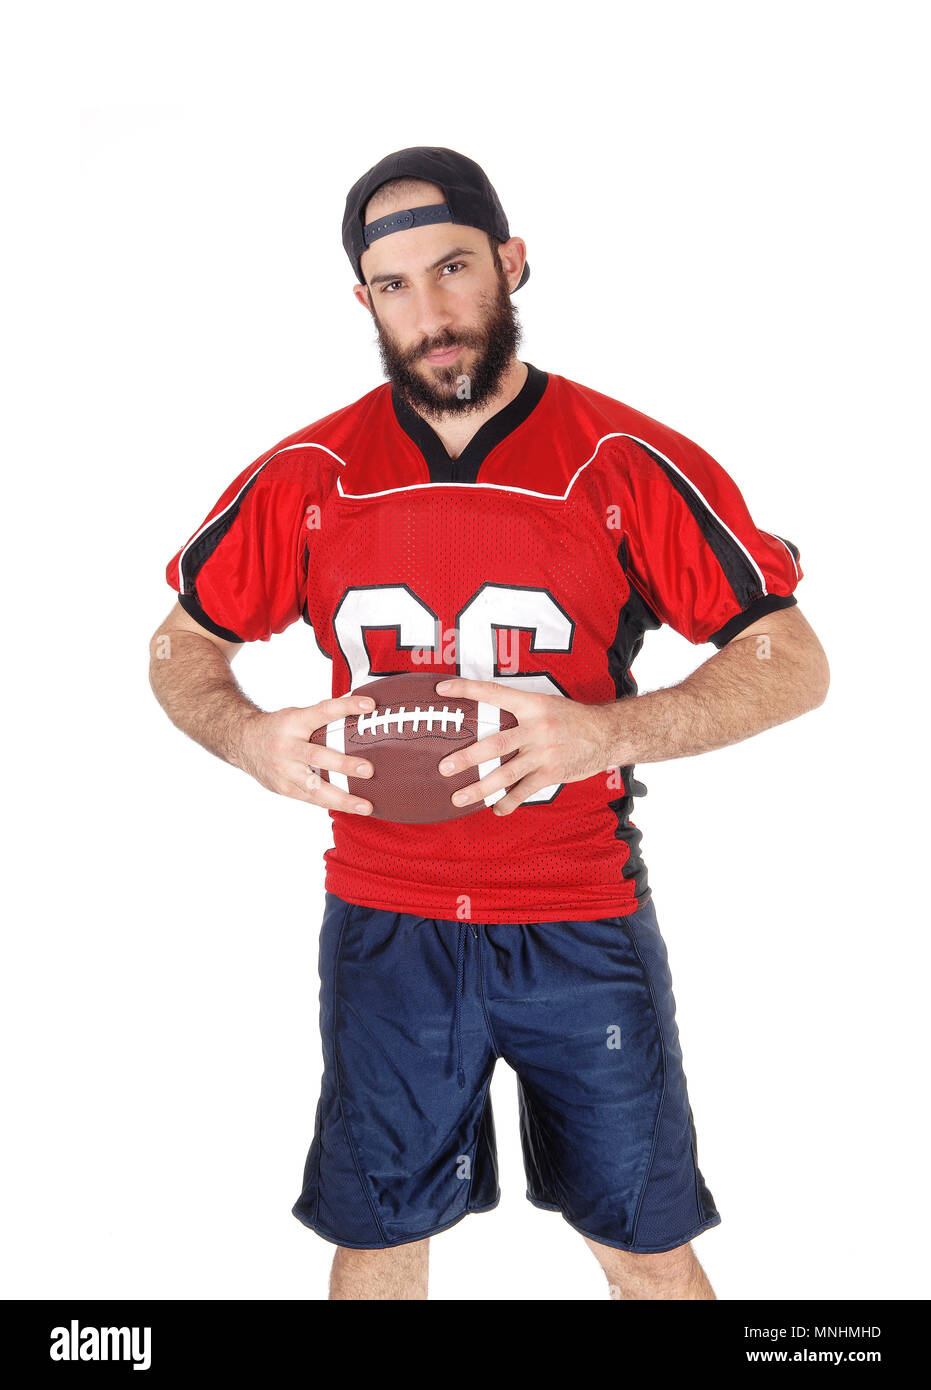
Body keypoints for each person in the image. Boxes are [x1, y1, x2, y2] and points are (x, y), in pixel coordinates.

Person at [149, 146, 829, 1301]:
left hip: (578, 918)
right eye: (395, 285)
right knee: (376, 1241)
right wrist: (248, 738)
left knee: (647, 1247)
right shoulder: (312, 470)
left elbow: (792, 662)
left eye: (455, 267)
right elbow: (180, 643)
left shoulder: (620, 459)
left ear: (511, 263)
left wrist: (600, 733)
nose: (432, 312)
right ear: (363, 302)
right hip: (384, 925)